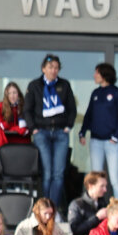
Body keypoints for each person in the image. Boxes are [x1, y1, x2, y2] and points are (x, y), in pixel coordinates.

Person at [24, 54, 77, 209]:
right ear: (43, 69)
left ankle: (52, 208)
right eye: (50, 67)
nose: (53, 70)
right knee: (47, 173)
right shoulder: (34, 86)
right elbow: (27, 110)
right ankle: (44, 207)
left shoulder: (64, 85)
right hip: (42, 133)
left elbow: (72, 109)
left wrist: (69, 126)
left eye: (56, 68)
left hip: (61, 133)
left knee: (58, 173)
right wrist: (33, 128)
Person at [78, 62, 118, 202]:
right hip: (96, 141)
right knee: (96, 178)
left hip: (112, 142)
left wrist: (116, 136)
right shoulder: (96, 93)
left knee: (114, 178)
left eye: (96, 73)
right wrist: (82, 132)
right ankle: (95, 207)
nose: (94, 75)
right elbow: (89, 115)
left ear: (104, 75)